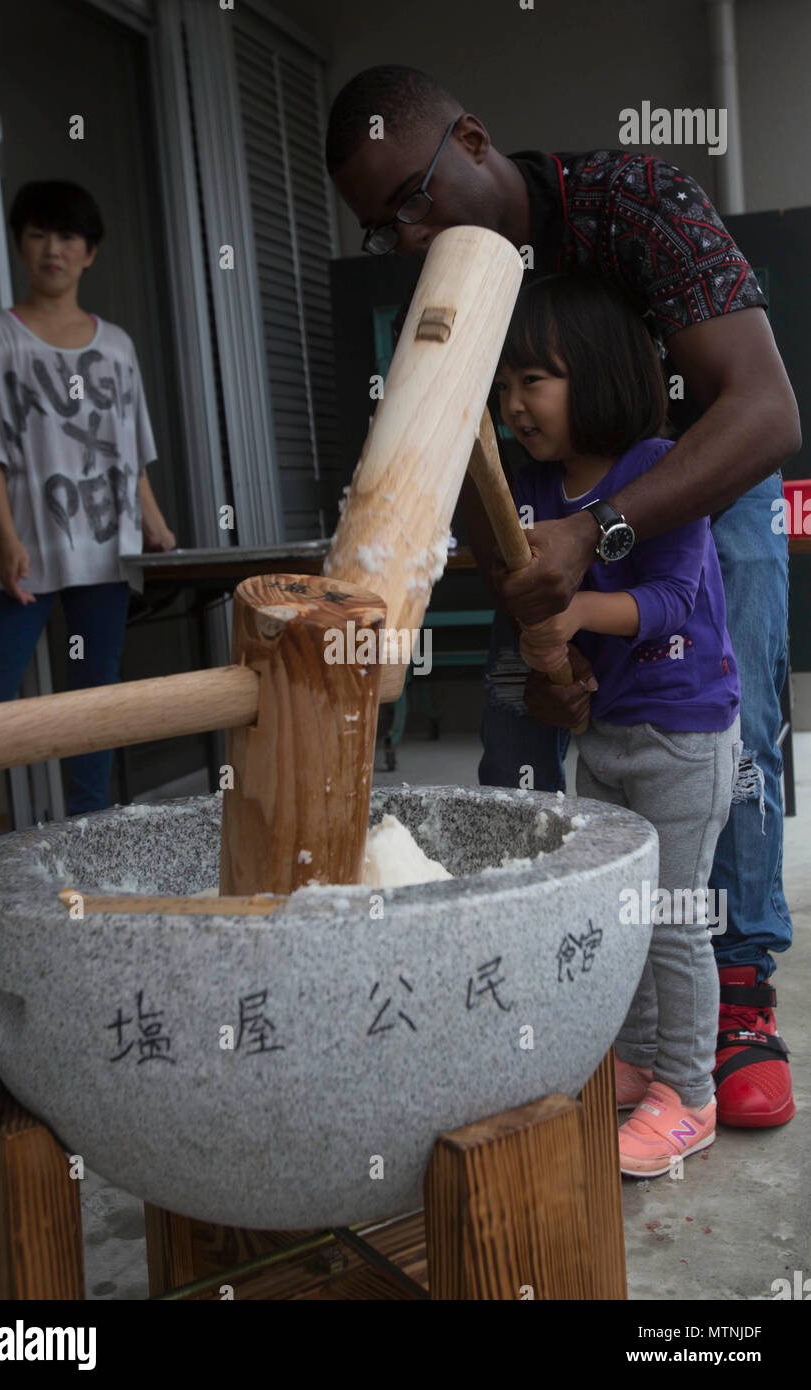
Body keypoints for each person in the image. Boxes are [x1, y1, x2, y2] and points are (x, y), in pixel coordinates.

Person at [325, 65, 799, 1128]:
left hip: (702, 475)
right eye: (379, 227)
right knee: (521, 734)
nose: (406, 238)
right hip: (560, 511)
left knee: (732, 735)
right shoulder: (447, 278)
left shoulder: (633, 202)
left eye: (412, 198)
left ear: (475, 141)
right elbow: (481, 479)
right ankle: (560, 978)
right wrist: (547, 648)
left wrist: (600, 532)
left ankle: (731, 994)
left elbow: (764, 412)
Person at [495, 274, 741, 1172]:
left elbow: (675, 598)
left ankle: (692, 1094)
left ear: (595, 374)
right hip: (604, 734)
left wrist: (575, 620)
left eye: (538, 380)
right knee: (631, 912)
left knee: (674, 916)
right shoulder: (528, 485)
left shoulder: (655, 472)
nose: (516, 403)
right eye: (508, 382)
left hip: (683, 731)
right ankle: (640, 1064)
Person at [0, 179, 175, 817]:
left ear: (90, 252)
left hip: (105, 551)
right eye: (38, 234)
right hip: (20, 553)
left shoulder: (117, 344)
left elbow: (130, 453)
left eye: (68, 236)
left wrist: (153, 526)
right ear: (21, 246)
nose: (53, 249)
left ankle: (88, 833)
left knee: (94, 699)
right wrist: (8, 539)